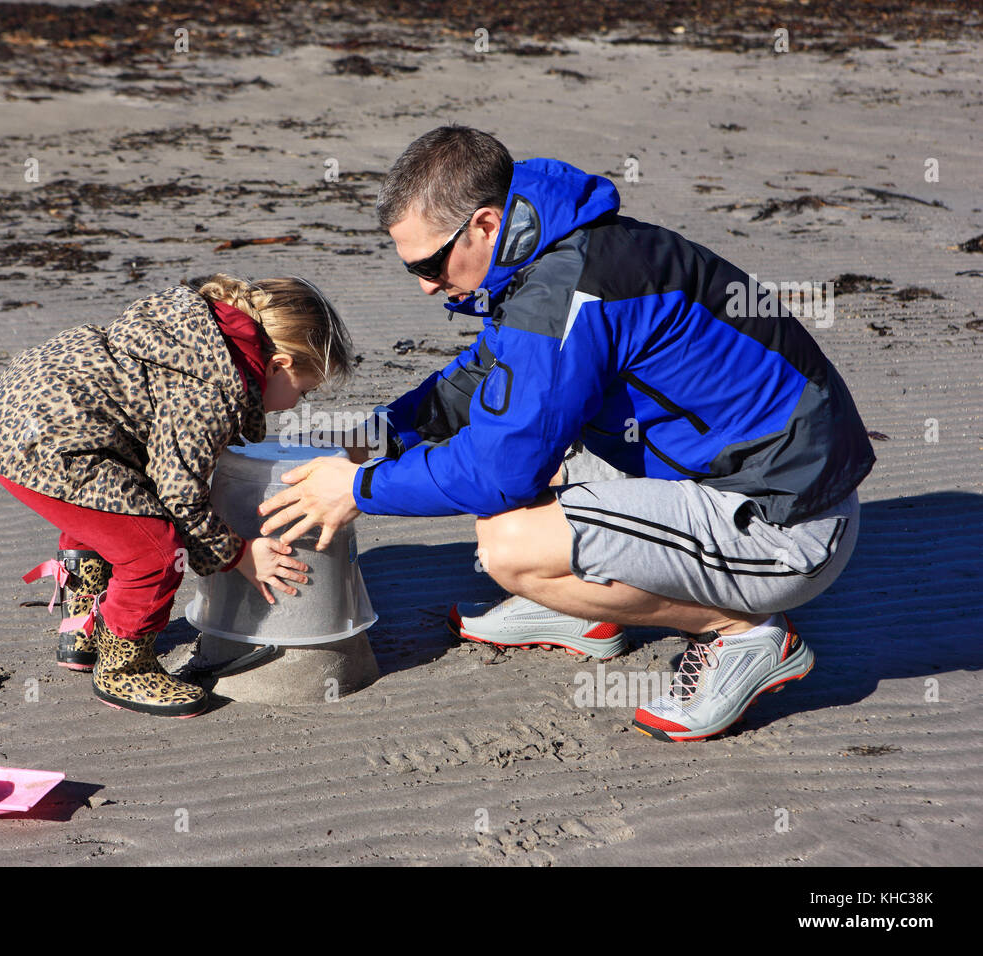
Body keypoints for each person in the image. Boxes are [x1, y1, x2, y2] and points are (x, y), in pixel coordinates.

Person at [258, 126, 875, 742]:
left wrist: (358, 488)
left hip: (787, 524)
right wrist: (375, 436)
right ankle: (582, 609)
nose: (423, 283)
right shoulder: (555, 250)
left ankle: (744, 635)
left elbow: (497, 474)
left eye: (428, 263)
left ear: (484, 224)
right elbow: (479, 380)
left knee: (510, 540)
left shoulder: (568, 293)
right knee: (532, 428)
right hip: (726, 474)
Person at [0, 274, 354, 717]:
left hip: (16, 420)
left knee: (114, 511)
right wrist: (238, 554)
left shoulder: (190, 329)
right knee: (155, 552)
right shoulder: (212, 389)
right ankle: (124, 668)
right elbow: (181, 495)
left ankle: (84, 627)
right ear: (278, 363)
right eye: (303, 391)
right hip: (53, 449)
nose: (299, 404)